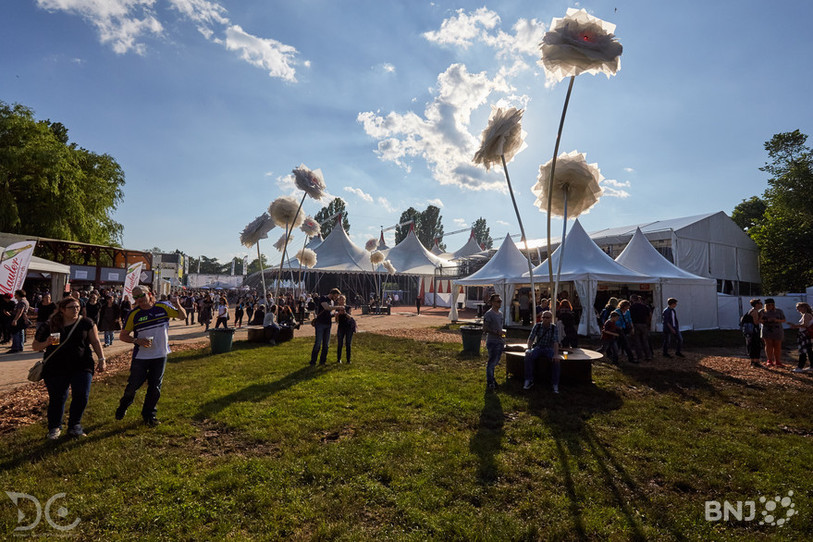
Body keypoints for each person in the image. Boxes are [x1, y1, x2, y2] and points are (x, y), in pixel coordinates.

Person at [32, 297, 106, 439]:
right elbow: (35, 346)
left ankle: (74, 425)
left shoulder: (86, 323)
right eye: (71, 307)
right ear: (62, 309)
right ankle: (54, 427)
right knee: (58, 398)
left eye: (77, 307)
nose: (76, 310)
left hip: (82, 365)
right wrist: (46, 343)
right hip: (56, 367)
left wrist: (102, 359)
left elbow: (95, 342)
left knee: (82, 395)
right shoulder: (50, 325)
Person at [115, 286, 186, 426]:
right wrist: (137, 340)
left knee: (155, 388)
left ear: (149, 294)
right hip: (141, 357)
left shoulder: (162, 307)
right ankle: (124, 405)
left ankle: (149, 416)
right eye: (135, 297)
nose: (139, 300)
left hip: (160, 355)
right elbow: (123, 336)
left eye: (141, 296)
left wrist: (177, 304)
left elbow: (182, 316)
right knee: (133, 385)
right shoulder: (134, 314)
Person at [523, 310, 560, 393]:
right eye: (543, 317)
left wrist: (556, 354)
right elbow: (531, 338)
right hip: (538, 347)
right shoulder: (537, 326)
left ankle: (555, 383)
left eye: (547, 317)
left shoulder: (554, 328)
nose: (545, 319)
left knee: (556, 361)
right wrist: (528, 349)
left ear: (551, 319)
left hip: (549, 348)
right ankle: (529, 379)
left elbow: (555, 342)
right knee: (528, 356)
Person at [481, 294, 505, 391]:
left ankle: (492, 379)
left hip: (500, 341)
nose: (499, 303)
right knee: (491, 362)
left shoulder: (500, 314)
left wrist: (503, 336)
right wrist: (496, 332)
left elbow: (500, 327)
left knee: (495, 362)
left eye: (500, 301)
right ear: (492, 303)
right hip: (492, 341)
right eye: (497, 301)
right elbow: (485, 328)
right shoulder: (489, 314)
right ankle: (490, 382)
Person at [311, 288, 340, 365]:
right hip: (320, 323)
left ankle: (322, 361)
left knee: (326, 344)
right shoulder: (323, 298)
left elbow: (328, 313)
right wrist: (338, 307)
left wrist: (334, 315)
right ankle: (313, 361)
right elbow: (327, 307)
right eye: (336, 296)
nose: (336, 298)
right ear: (333, 294)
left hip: (328, 324)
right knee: (318, 343)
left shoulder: (332, 301)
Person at [759, 298, 785, 367]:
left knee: (777, 345)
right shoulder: (762, 311)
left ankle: (777, 360)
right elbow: (759, 320)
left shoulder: (779, 311)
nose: (770, 306)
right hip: (767, 329)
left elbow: (783, 320)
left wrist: (776, 320)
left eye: (772, 304)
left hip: (777, 329)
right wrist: (767, 320)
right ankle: (769, 360)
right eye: (768, 305)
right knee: (768, 344)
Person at [789, 302, 813, 372]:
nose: (797, 310)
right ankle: (811, 365)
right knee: (809, 351)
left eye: (798, 308)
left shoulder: (806, 315)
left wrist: (795, 326)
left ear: (803, 307)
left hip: (804, 335)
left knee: (803, 351)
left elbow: (805, 325)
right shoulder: (807, 315)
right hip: (807, 335)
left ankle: (800, 367)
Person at [740, 299, 763, 368]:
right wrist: (761, 317)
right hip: (754, 331)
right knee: (755, 345)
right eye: (760, 303)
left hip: (749, 332)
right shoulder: (755, 312)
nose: (761, 305)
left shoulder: (750, 311)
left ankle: (753, 361)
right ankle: (755, 361)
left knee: (751, 345)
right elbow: (756, 322)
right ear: (757, 304)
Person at [629, 295, 653, 361]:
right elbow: (649, 316)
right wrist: (649, 324)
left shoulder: (631, 307)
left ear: (632, 300)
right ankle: (648, 356)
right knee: (645, 341)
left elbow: (629, 318)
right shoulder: (645, 307)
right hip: (644, 324)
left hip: (635, 325)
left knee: (637, 341)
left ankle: (640, 356)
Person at [335, 294, 356, 364]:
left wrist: (345, 313)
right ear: (338, 301)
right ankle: (338, 359)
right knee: (340, 343)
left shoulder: (348, 307)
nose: (341, 301)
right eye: (340, 299)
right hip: (341, 327)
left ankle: (348, 360)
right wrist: (337, 315)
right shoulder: (337, 308)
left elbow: (350, 317)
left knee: (348, 343)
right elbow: (336, 321)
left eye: (342, 299)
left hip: (348, 327)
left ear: (345, 300)